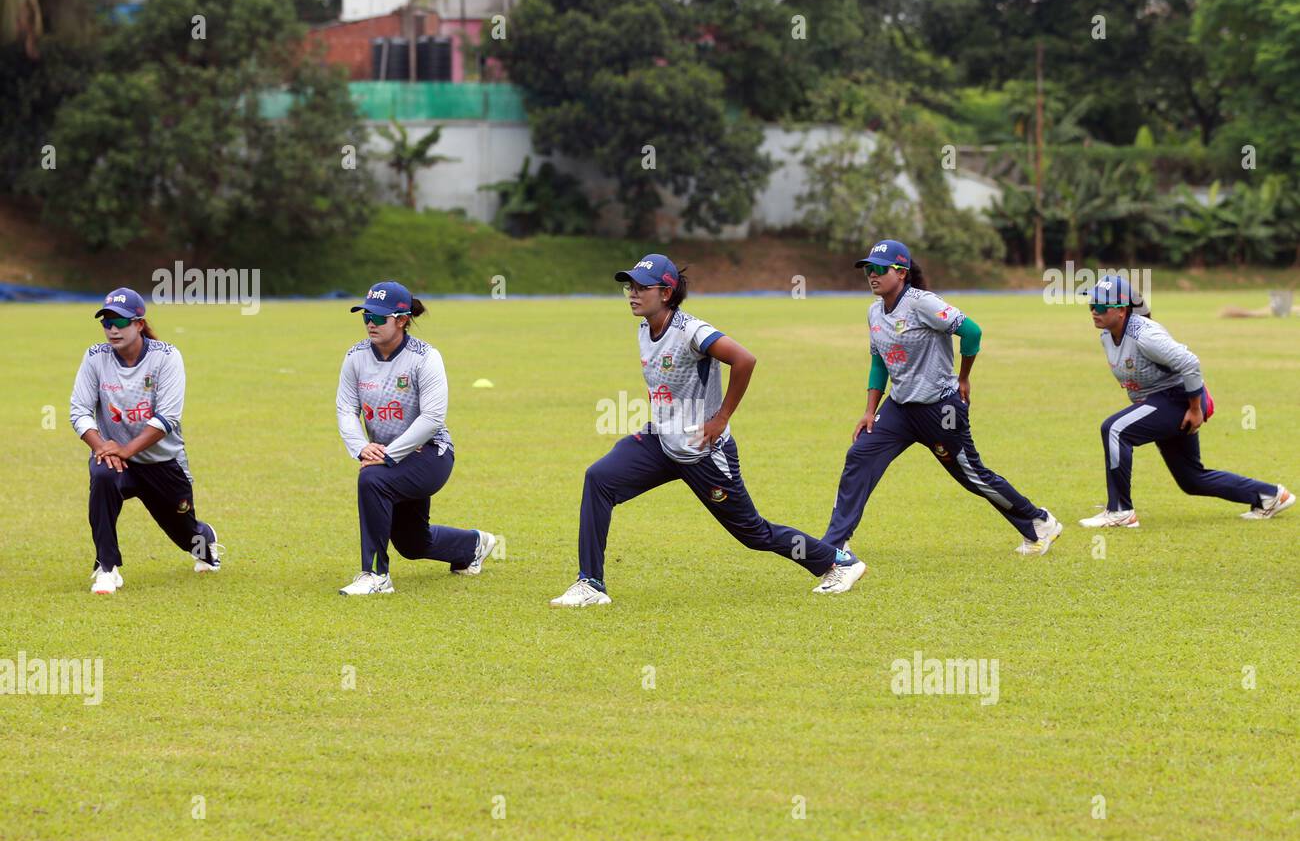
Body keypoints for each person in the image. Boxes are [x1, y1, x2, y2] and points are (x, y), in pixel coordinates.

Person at [550, 254, 866, 607]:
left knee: (753, 532)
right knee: (599, 479)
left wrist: (720, 419)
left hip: (704, 451)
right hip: (661, 442)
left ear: (667, 293)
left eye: (642, 287)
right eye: (630, 286)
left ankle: (838, 562)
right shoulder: (644, 328)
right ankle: (591, 583)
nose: (632, 293)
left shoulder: (692, 331)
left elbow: (745, 360)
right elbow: (660, 385)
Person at [821, 240, 1062, 568]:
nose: (872, 276)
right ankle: (835, 545)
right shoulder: (874, 312)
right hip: (900, 408)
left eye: (880, 269)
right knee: (859, 456)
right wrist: (868, 411)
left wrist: (963, 378)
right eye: (868, 269)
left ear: (902, 272)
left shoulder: (924, 304)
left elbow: (972, 332)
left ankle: (1039, 522)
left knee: (972, 476)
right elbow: (879, 363)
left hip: (940, 408)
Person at [1079, 275, 1291, 527]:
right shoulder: (1107, 335)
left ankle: (1120, 512)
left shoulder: (1144, 335)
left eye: (1101, 306)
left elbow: (1190, 363)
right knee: (1192, 480)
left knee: (1114, 429)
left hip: (1180, 400)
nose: (1094, 311)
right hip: (1161, 403)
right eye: (1091, 304)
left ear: (1122, 310)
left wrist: (1194, 409)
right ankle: (1270, 496)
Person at [336, 281, 497, 595]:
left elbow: (432, 418)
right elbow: (346, 408)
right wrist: (362, 448)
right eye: (366, 315)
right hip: (386, 458)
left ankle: (375, 576)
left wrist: (387, 456)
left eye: (380, 317)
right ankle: (471, 546)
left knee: (372, 481)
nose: (371, 322)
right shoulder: (355, 357)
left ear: (402, 319)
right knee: (412, 543)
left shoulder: (425, 357)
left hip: (431, 454)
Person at [70, 288, 222, 594]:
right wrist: (102, 447)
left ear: (139, 324)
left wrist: (125, 449)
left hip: (162, 462)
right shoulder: (95, 358)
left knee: (186, 533)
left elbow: (167, 419)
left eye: (120, 321)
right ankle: (107, 568)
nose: (112, 328)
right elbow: (79, 410)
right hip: (116, 461)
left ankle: (205, 541)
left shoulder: (166, 357)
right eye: (106, 321)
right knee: (102, 477)